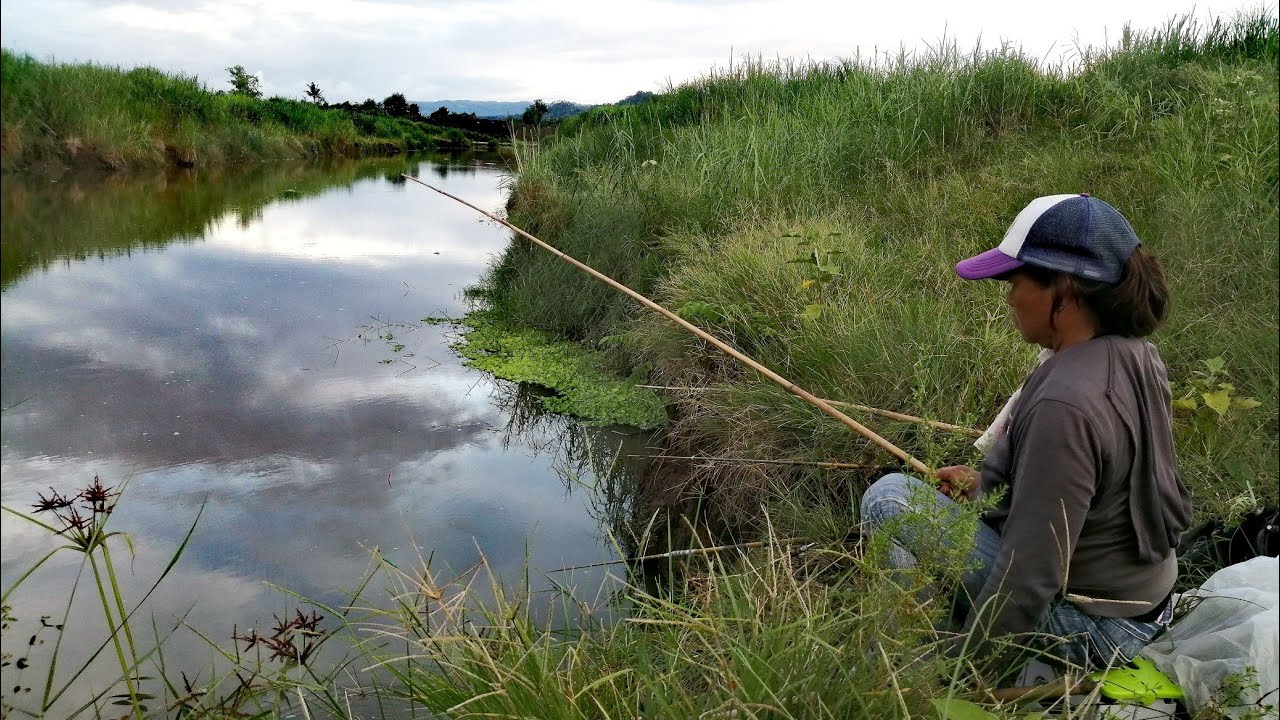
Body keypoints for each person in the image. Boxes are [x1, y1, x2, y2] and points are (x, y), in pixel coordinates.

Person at [860, 193, 1194, 671]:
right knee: (911, 510)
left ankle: (910, 667)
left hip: (1100, 630)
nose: (1010, 298)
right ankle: (914, 643)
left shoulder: (1065, 403)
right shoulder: (1136, 354)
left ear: (1064, 290)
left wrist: (969, 672)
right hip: (1144, 604)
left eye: (1016, 282)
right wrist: (987, 486)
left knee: (889, 498)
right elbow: (1097, 488)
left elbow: (1030, 575)